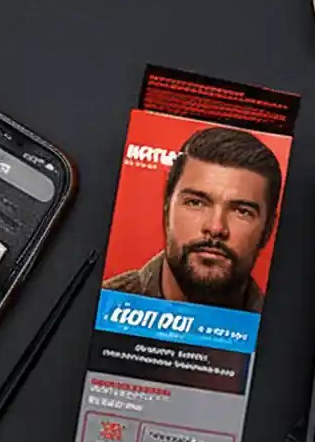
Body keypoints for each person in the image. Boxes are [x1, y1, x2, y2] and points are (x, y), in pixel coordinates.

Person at [102, 127, 281, 312]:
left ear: (267, 230)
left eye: (242, 212)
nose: (215, 227)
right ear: (167, 209)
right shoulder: (101, 305)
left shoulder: (279, 326)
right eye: (196, 203)